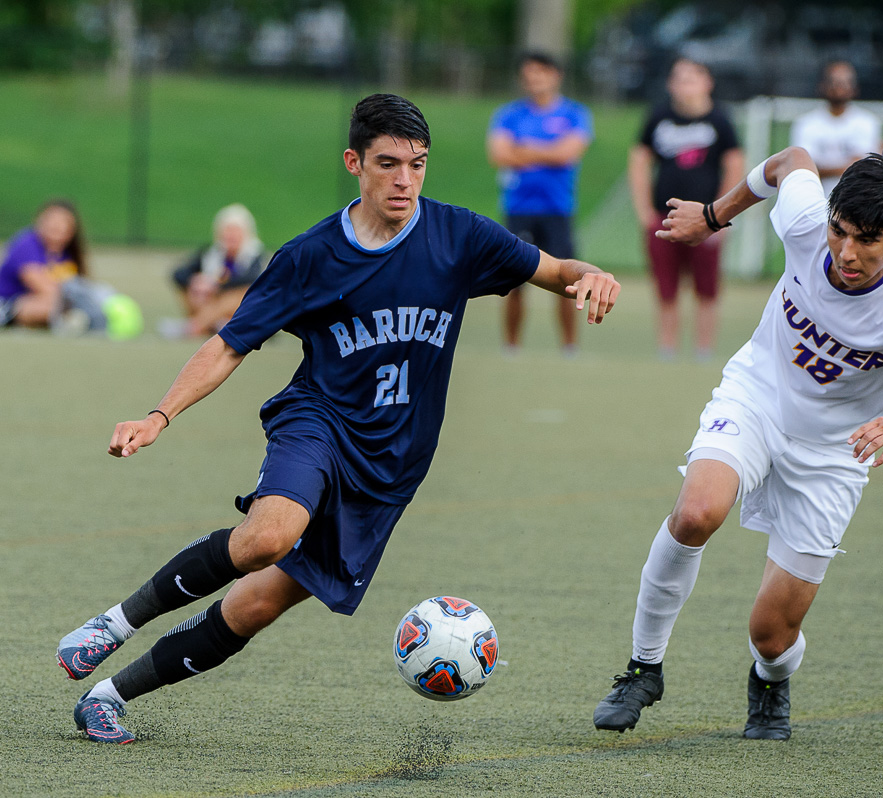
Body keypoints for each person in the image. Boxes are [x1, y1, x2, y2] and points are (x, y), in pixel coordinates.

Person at [56, 93, 620, 744]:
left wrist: (593, 274)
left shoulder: (460, 237)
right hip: (318, 421)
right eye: (388, 163)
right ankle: (114, 625)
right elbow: (230, 342)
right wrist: (159, 416)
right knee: (267, 536)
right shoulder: (311, 257)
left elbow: (556, 271)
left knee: (257, 604)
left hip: (390, 466)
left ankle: (108, 697)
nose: (404, 179)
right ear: (355, 163)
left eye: (418, 164)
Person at [592, 147, 883, 740]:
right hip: (757, 398)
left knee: (772, 633)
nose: (845, 253)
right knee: (695, 513)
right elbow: (792, 160)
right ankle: (643, 667)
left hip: (835, 455)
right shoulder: (805, 223)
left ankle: (769, 678)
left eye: (866, 240)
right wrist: (714, 215)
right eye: (839, 231)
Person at [630, 56, 743, 360]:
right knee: (666, 286)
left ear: (708, 82)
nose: (685, 84)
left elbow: (734, 166)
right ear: (670, 84)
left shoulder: (719, 120)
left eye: (692, 77)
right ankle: (667, 346)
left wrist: (719, 217)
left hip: (705, 220)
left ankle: (703, 348)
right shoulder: (659, 117)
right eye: (679, 78)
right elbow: (639, 160)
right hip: (663, 219)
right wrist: (643, 211)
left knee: (706, 288)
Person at [487, 51, 593, 356]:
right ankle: (511, 345)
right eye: (529, 73)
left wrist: (526, 149)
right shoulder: (508, 114)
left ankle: (569, 346)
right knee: (514, 280)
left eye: (541, 72)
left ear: (556, 76)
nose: (535, 79)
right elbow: (499, 155)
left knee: (567, 280)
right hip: (519, 208)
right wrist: (549, 151)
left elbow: (568, 154)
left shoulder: (575, 114)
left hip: (557, 209)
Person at [163, 203, 267, 338]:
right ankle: (213, 324)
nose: (231, 235)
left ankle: (195, 326)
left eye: (236, 231)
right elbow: (178, 274)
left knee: (238, 294)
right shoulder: (212, 253)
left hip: (242, 307)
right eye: (228, 230)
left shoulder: (255, 254)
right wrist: (197, 281)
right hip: (212, 301)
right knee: (194, 288)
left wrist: (215, 284)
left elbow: (253, 278)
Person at [789, 60, 882, 198]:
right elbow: (803, 169)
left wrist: (822, 168)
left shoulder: (867, 123)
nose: (839, 87)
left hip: (855, 203)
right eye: (833, 81)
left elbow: (866, 169)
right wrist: (847, 166)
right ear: (822, 85)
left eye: (845, 82)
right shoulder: (805, 124)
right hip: (815, 200)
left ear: (855, 87)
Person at [0, 200, 88, 331]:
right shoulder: (26, 244)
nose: (55, 225)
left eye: (62, 222)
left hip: (44, 302)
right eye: (51, 219)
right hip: (7, 303)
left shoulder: (67, 256)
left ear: (71, 230)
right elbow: (44, 287)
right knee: (50, 306)